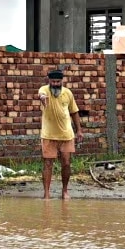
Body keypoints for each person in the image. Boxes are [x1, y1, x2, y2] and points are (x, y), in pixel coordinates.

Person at [36, 67, 79, 200]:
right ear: (49, 81)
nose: (55, 84)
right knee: (48, 164)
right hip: (48, 135)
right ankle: (47, 194)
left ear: (61, 81)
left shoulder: (68, 93)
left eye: (57, 81)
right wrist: (43, 98)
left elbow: (74, 112)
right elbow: (40, 94)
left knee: (66, 163)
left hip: (67, 135)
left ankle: (65, 191)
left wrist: (79, 130)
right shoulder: (44, 90)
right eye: (53, 81)